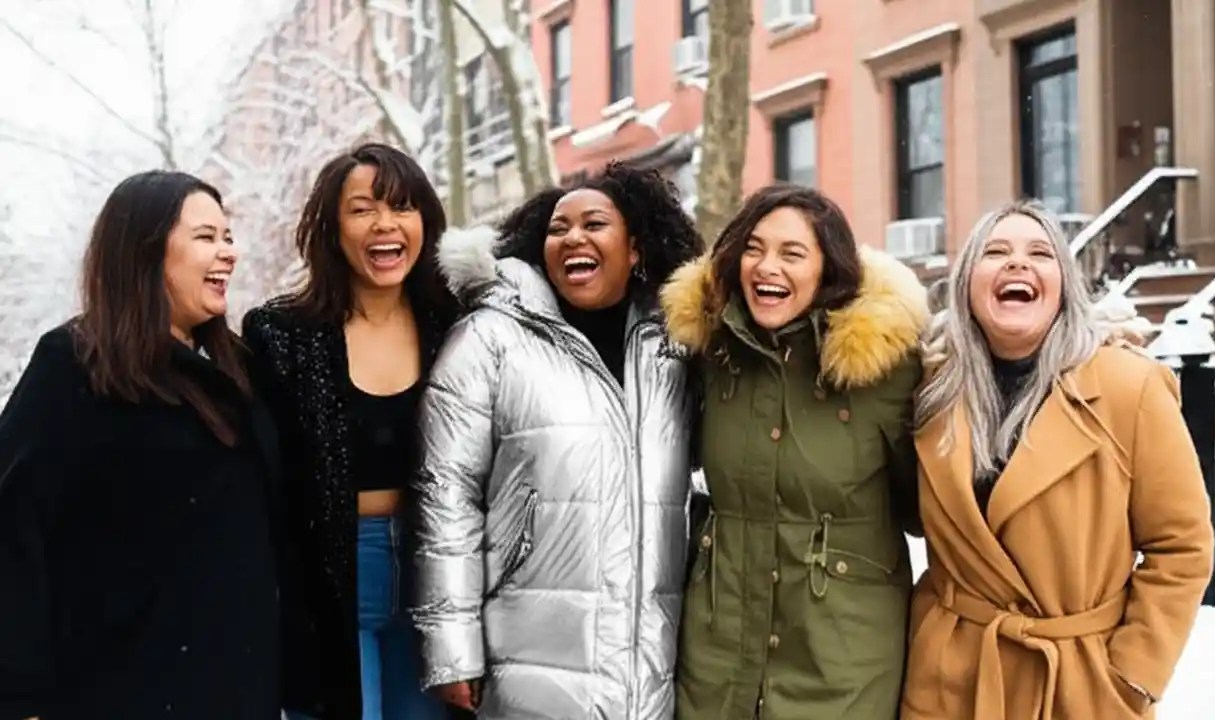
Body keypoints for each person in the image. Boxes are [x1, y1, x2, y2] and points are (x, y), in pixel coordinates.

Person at [900, 200, 1214, 719]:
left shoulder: (1127, 386)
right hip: (952, 683)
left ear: (1064, 285)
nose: (1017, 264)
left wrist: (1134, 672)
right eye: (995, 252)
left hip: (1080, 686)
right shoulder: (933, 391)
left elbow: (1182, 544)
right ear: (966, 285)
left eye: (1040, 253)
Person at [412, 162, 704, 719]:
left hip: (649, 663)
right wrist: (452, 650)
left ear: (636, 247)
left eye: (594, 224)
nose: (573, 237)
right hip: (527, 657)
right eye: (557, 228)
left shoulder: (672, 347)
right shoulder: (490, 338)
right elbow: (445, 495)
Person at [0, 171, 280, 718]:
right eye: (206, 237)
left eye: (228, 236)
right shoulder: (76, 364)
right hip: (119, 687)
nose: (229, 253)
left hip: (239, 687)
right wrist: (19, 694)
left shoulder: (237, 369)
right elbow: (12, 526)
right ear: (146, 249)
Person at [659, 184, 928, 719]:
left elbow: (926, 511)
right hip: (719, 661)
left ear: (828, 268)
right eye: (754, 249)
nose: (766, 267)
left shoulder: (885, 368)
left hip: (841, 665)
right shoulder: (714, 354)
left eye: (792, 253)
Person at [242, 143, 458, 720]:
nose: (385, 224)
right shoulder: (281, 335)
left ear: (425, 223)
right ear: (332, 227)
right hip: (330, 581)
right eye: (363, 209)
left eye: (403, 207)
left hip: (434, 576)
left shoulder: (460, 325)